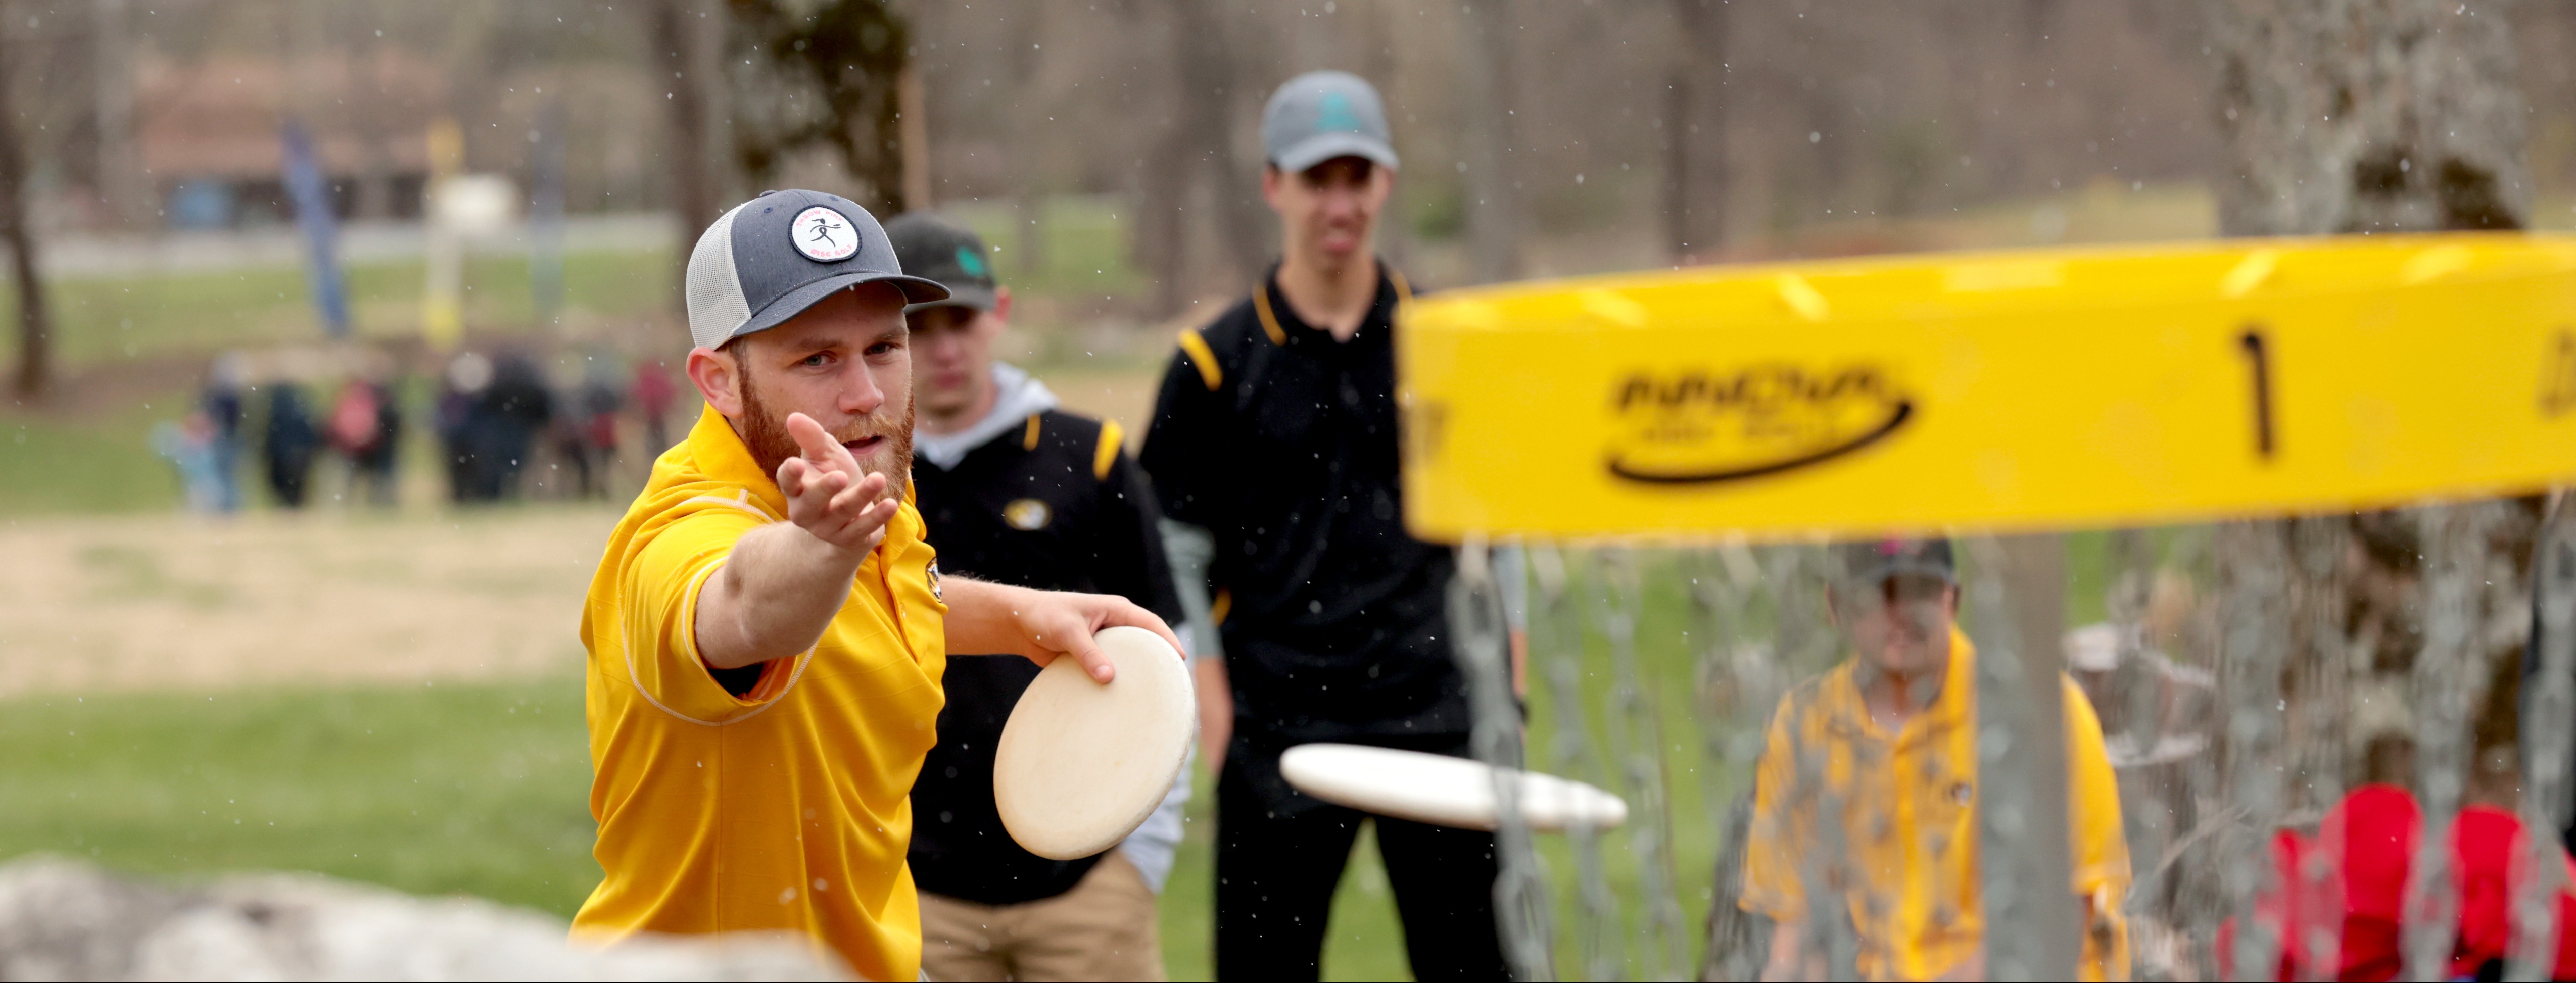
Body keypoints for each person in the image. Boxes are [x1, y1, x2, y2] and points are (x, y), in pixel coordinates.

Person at [570, 189, 1181, 982]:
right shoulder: (682, 533)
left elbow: (884, 599)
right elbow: (747, 608)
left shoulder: (863, 496)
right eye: (816, 358)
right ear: (717, 380)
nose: (864, 393)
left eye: (885, 348)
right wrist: (819, 546)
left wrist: (1020, 614)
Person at [1141, 70, 1512, 981]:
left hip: (1435, 704)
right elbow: (1174, 549)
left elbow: (1495, 529)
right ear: (1273, 186)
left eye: (1357, 177)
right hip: (1280, 716)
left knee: (1475, 963)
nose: (1337, 203)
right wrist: (1211, 683)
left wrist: (1509, 671)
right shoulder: (1212, 364)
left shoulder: (1445, 340)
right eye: (1317, 181)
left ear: (1385, 183)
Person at [889, 212, 1189, 981]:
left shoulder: (1086, 454)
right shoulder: (855, 483)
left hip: (1087, 888)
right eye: (920, 326)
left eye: (962, 318)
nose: (946, 346)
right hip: (914, 889)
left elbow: (1166, 649)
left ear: (1000, 313)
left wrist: (1140, 856)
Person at [1738, 538, 2131, 982]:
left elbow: (2059, 918)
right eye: (1878, 594)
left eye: (1919, 590)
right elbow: (1795, 927)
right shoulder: (1804, 723)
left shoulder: (2040, 711)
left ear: (1953, 599)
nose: (1899, 613)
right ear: (1835, 607)